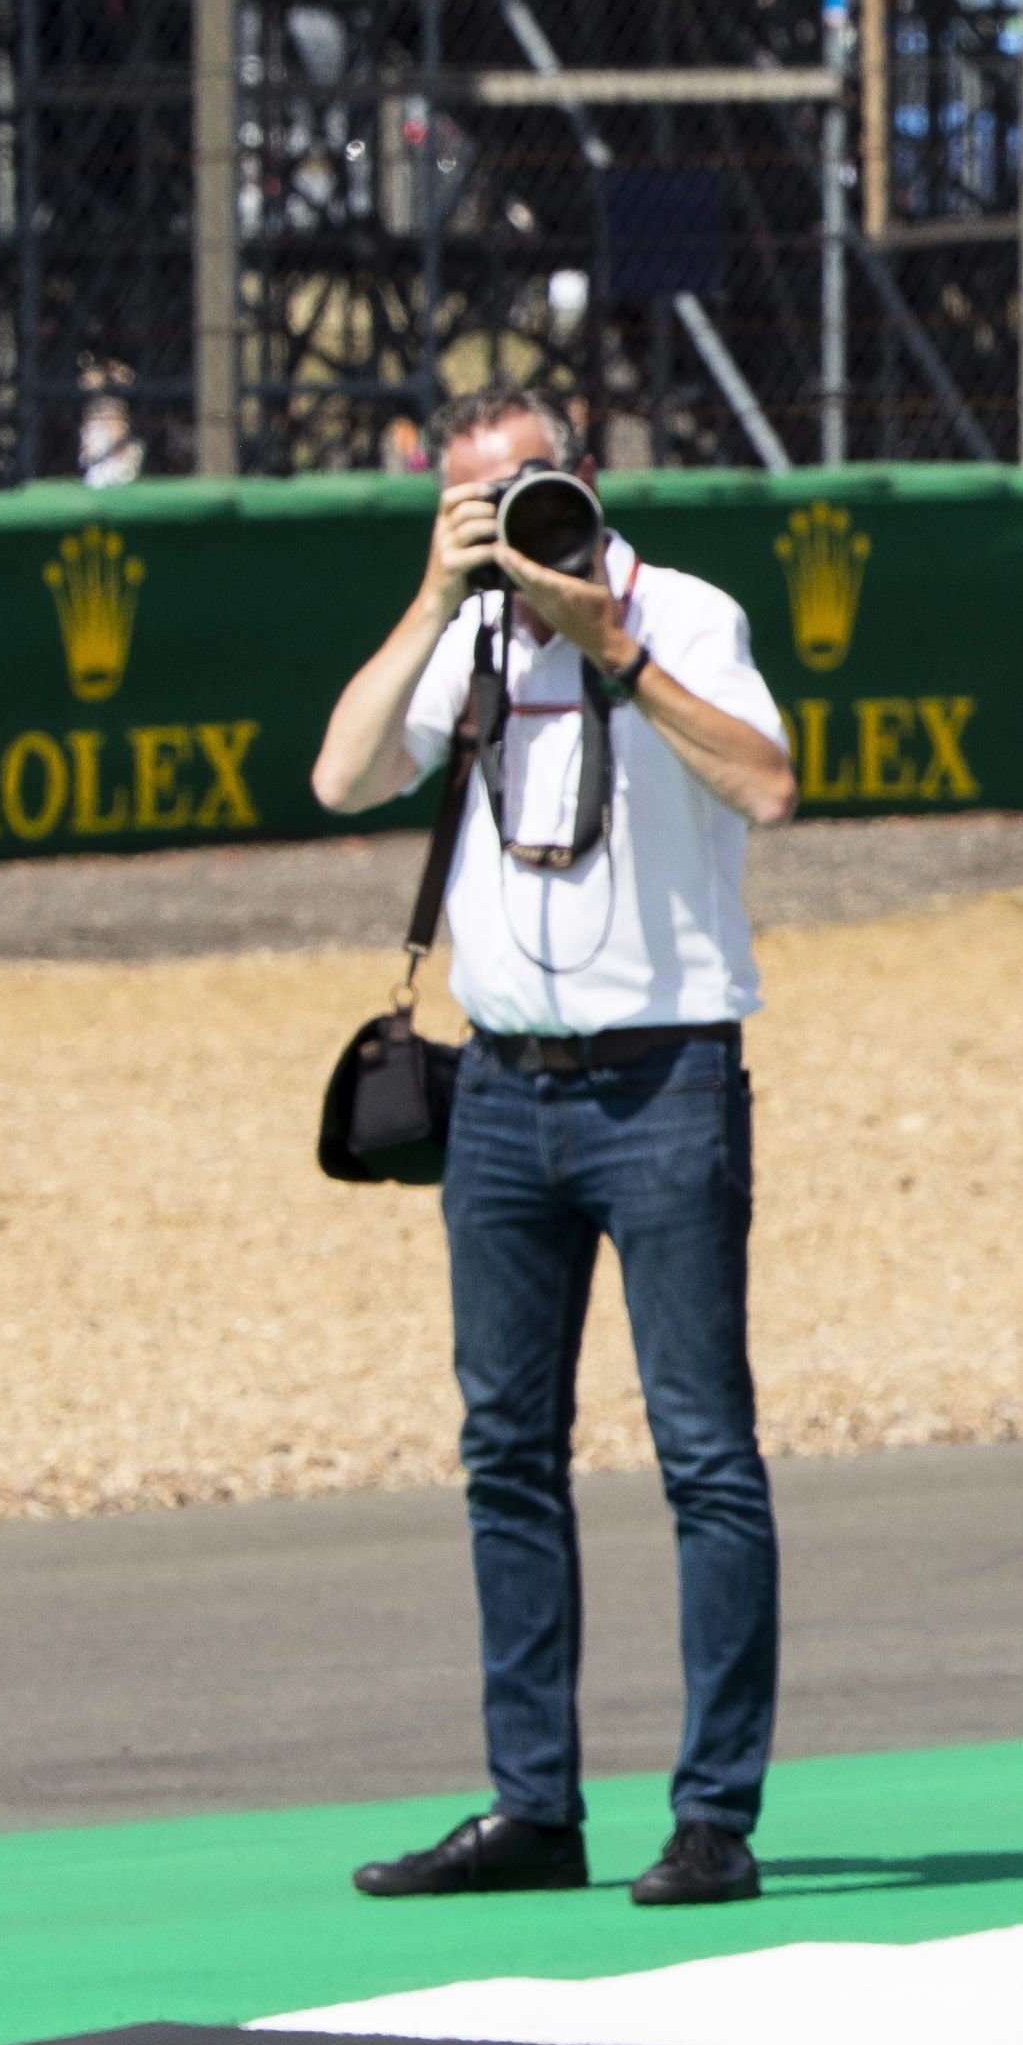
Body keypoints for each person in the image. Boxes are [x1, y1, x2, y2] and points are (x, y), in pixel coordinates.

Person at [308, 386, 801, 1910]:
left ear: (585, 477)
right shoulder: (461, 637)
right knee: (504, 1453)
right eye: (479, 497)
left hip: (665, 1080)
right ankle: (533, 1803)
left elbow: (766, 782)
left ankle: (712, 1815)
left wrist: (615, 648)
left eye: (532, 485)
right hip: (501, 1089)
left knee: (703, 1452)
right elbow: (338, 777)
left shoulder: (683, 613)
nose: (516, 518)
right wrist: (430, 596)